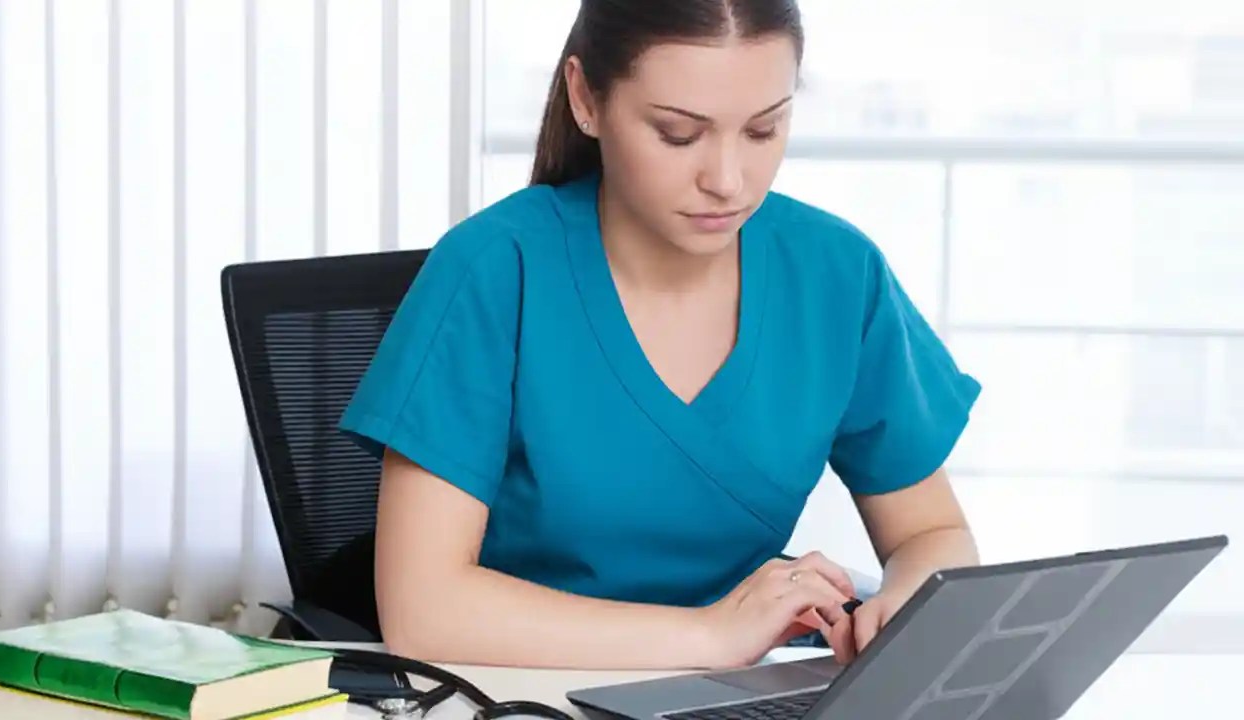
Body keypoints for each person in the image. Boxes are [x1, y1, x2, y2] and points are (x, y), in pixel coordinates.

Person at [339, 0, 981, 672]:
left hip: (729, 689)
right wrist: (710, 636)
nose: (728, 181)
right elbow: (424, 611)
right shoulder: (495, 269)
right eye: (678, 135)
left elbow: (932, 532)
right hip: (519, 689)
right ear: (586, 98)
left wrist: (904, 605)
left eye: (764, 131)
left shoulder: (836, 273)